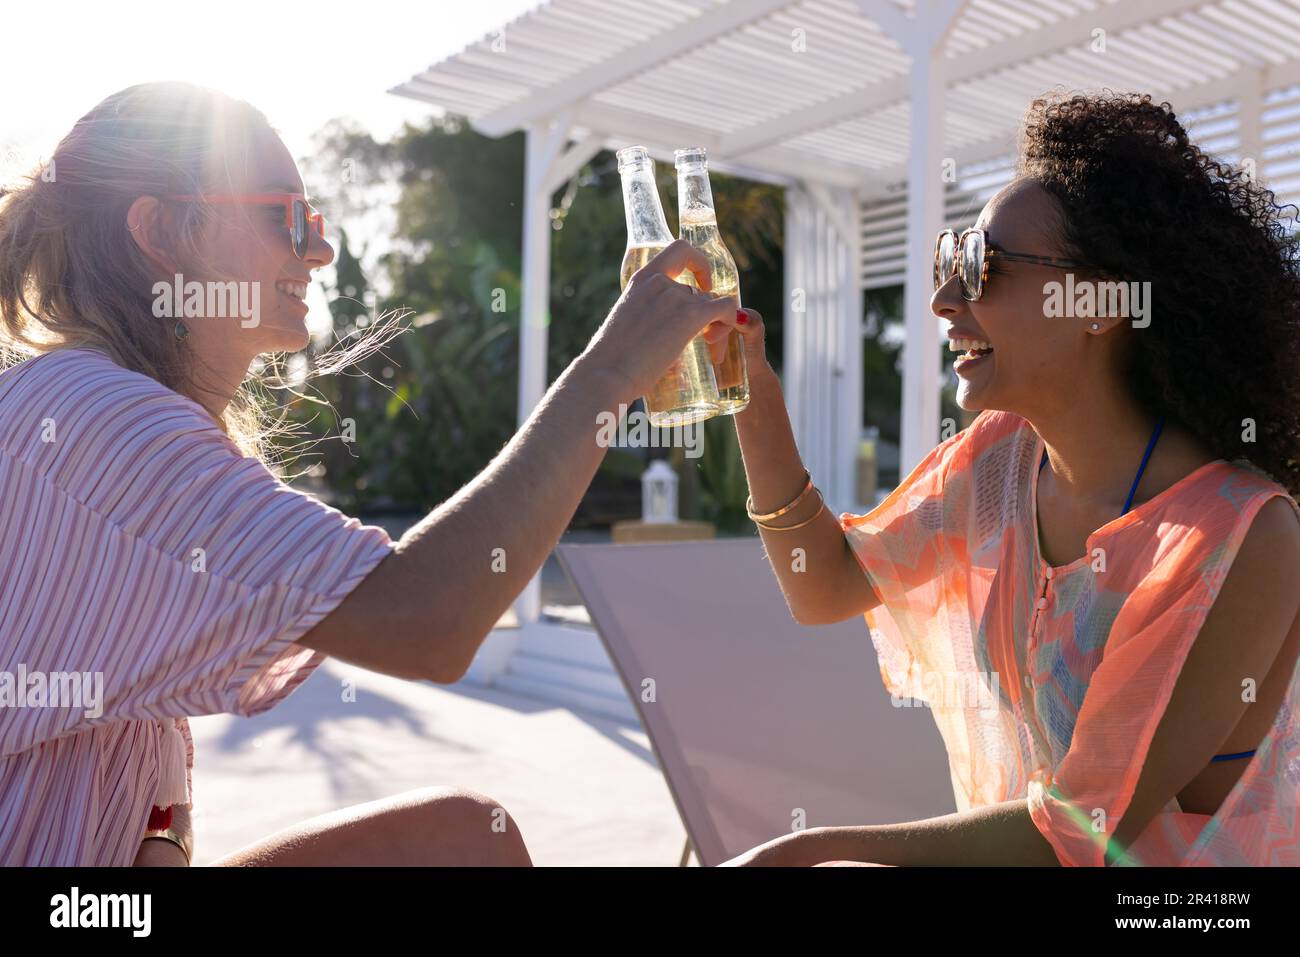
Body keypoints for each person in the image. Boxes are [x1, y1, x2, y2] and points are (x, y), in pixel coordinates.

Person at [0, 81, 739, 866]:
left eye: (314, 222)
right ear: (160, 233)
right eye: (285, 215)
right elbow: (429, 619)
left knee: (458, 835)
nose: (317, 249)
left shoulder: (78, 402)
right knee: (464, 842)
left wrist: (158, 834)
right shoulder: (97, 416)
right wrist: (606, 376)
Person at [722, 91, 1300, 866]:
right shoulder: (1001, 461)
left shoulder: (1245, 536)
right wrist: (749, 391)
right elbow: (821, 583)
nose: (942, 298)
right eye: (948, 259)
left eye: (980, 266)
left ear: (1097, 301)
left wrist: (810, 850)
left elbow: (1081, 829)